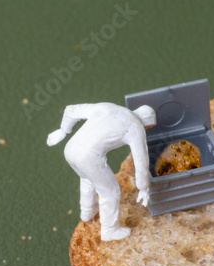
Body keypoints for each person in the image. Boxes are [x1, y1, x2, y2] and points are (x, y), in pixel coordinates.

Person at [46, 102, 156, 241]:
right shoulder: (136, 126)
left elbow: (70, 110)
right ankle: (110, 230)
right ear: (146, 123)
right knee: (110, 192)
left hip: (70, 149)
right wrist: (144, 188)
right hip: (88, 157)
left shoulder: (109, 107)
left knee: (87, 179)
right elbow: (141, 160)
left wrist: (63, 130)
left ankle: (87, 212)